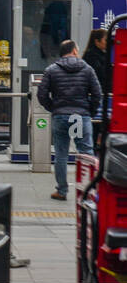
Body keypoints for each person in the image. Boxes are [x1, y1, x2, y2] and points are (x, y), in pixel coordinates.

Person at [39, 40, 103, 201]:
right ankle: (88, 191)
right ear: (74, 51)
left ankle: (61, 191)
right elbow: (97, 94)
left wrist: (53, 108)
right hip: (81, 116)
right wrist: (89, 111)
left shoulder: (51, 70)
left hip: (60, 116)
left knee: (61, 154)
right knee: (86, 153)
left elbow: (42, 94)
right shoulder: (87, 69)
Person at [83, 29, 111, 147]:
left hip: (103, 97)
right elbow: (101, 76)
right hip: (97, 98)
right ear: (97, 41)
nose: (108, 42)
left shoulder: (104, 55)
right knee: (95, 129)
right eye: (106, 40)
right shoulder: (92, 57)